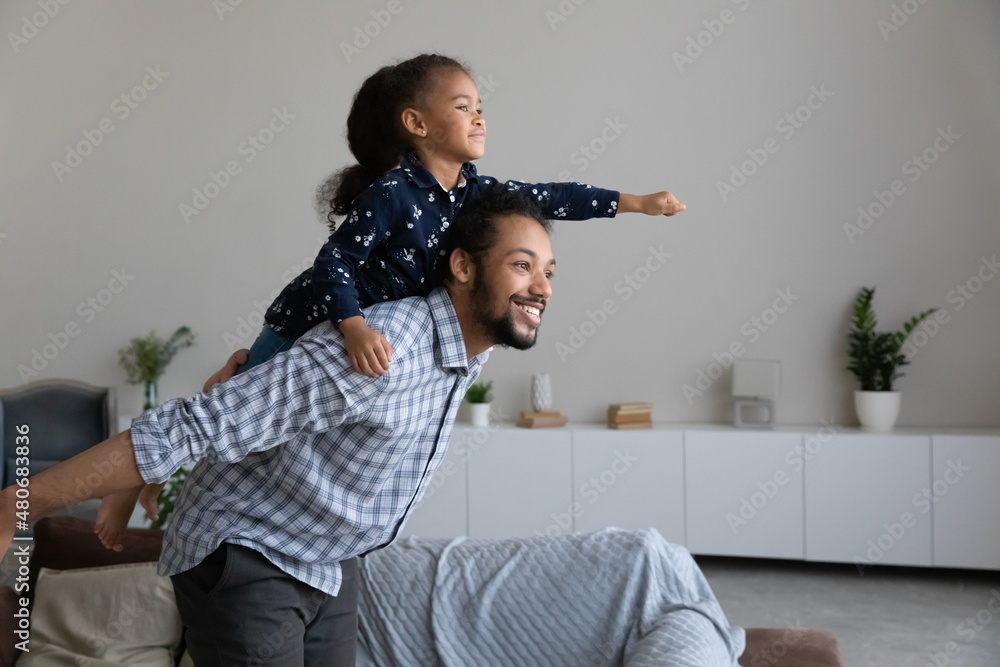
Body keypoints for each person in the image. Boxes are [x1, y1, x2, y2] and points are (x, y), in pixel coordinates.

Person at [96, 51, 686, 550]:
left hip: (356, 326)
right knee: (226, 407)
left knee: (245, 427)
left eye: (481, 106)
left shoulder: (476, 194)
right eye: (462, 106)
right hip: (310, 322)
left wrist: (634, 202)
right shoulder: (393, 193)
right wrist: (351, 327)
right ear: (417, 123)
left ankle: (152, 486)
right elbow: (333, 262)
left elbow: (551, 196)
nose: (478, 115)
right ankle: (129, 486)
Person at [0, 189, 558, 666]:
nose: (543, 287)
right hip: (251, 552)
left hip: (328, 559)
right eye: (522, 265)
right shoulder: (387, 351)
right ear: (462, 267)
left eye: (549, 272)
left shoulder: (466, 353)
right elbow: (200, 424)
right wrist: (23, 505)